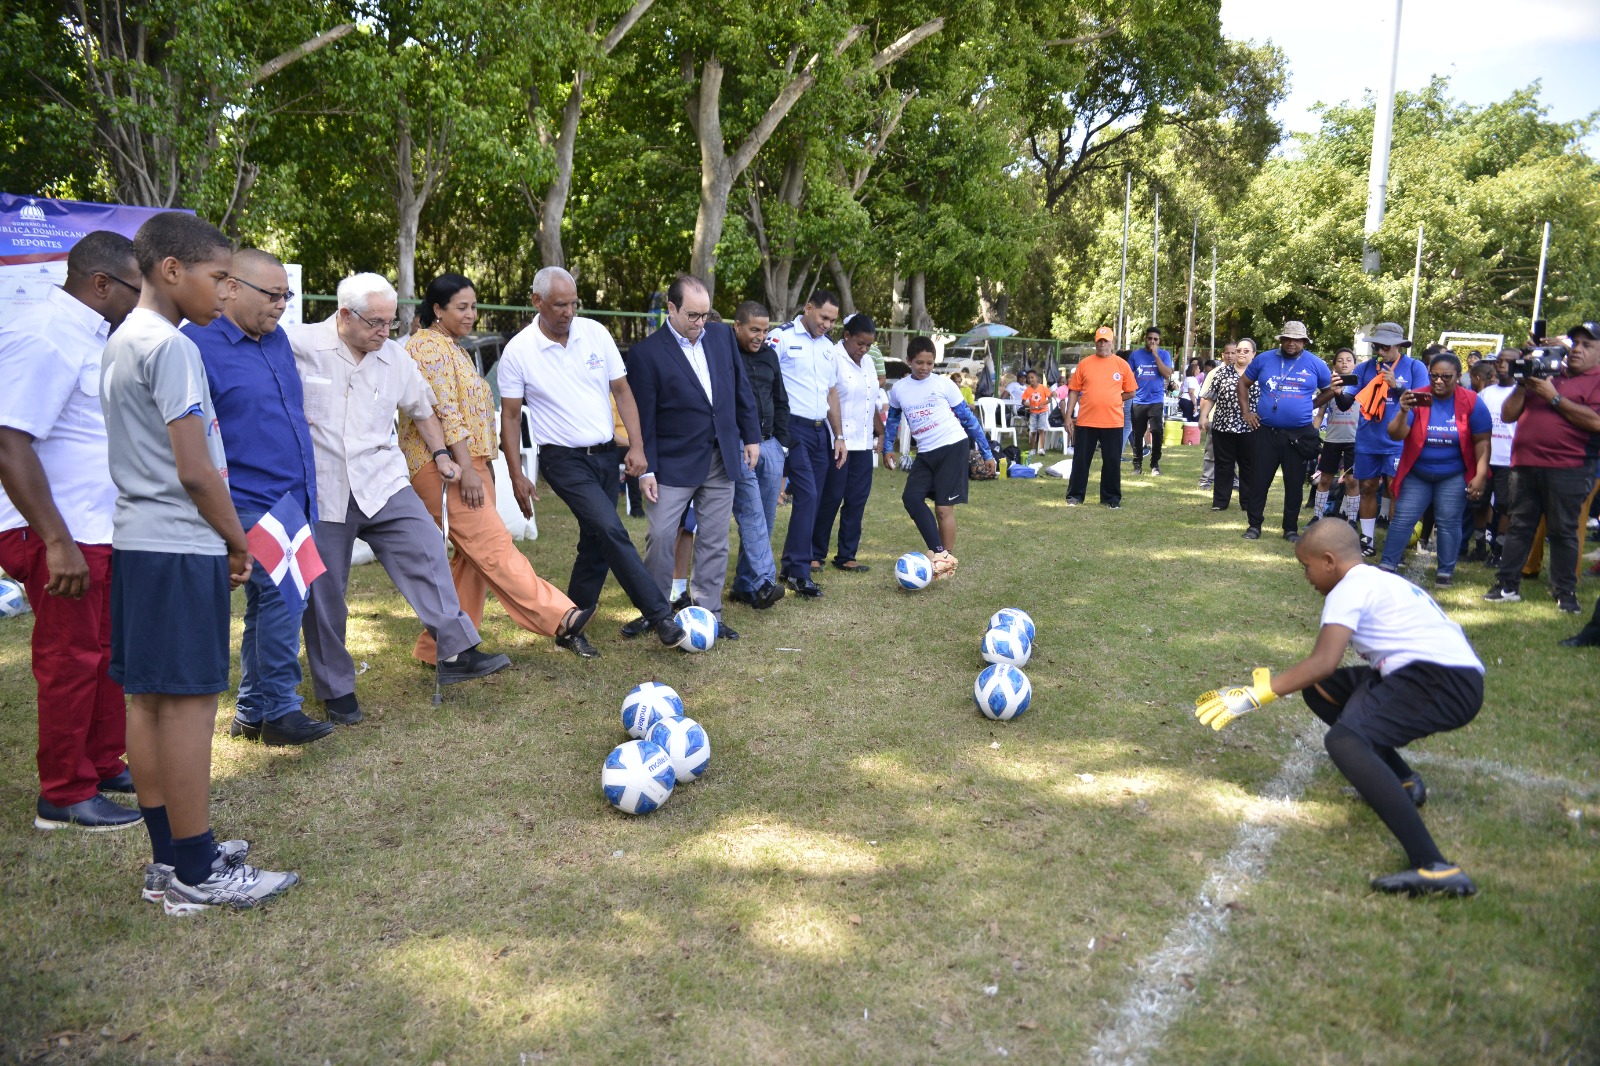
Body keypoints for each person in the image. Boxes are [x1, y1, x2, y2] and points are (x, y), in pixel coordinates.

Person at [101, 211, 297, 912]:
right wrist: (236, 540)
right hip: (181, 544)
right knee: (185, 709)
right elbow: (195, 467)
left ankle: (168, 857)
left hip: (137, 540)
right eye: (217, 277)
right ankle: (198, 870)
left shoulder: (124, 338)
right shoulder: (176, 348)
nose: (225, 290)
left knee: (148, 702)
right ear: (171, 271)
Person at [1193, 519, 1483, 897]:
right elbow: (1322, 676)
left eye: (1306, 567)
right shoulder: (1378, 579)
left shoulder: (1347, 589)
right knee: (1320, 690)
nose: (1307, 577)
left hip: (1439, 681)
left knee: (1345, 741)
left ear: (1328, 561)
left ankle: (1434, 867)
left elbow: (1323, 660)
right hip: (1441, 674)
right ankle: (1403, 781)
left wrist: (1255, 694)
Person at [291, 273, 512, 726]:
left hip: (382, 479)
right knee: (325, 590)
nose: (385, 332)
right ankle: (336, 689)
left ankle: (455, 651)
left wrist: (440, 454)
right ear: (345, 315)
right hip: (325, 486)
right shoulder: (299, 344)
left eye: (391, 323)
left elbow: (422, 408)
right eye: (375, 323)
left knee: (427, 546)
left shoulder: (394, 357)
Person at [0, 232, 143, 830]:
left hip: (96, 526)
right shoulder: (44, 334)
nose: (144, 301)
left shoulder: (93, 336)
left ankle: (102, 762)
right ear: (101, 284)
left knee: (106, 654)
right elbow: (10, 442)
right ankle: (62, 792)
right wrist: (55, 540)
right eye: (138, 289)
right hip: (58, 534)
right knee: (69, 660)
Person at [399, 273, 598, 658]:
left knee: (472, 560)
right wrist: (467, 469)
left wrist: (482, 465)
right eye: (462, 307)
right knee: (493, 548)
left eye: (474, 306)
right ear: (437, 309)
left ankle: (442, 646)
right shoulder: (427, 348)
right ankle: (561, 617)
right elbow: (447, 413)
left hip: (469, 463)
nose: (472, 314)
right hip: (445, 467)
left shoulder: (452, 347)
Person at [185, 249, 331, 747]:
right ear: (231, 288)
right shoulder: (195, 344)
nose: (282, 305)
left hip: (293, 495)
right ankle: (280, 710)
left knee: (280, 601)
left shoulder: (278, 340)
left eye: (286, 295)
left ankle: (252, 709)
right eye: (272, 295)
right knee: (280, 598)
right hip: (244, 497)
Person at [498, 267, 685, 648]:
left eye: (574, 303)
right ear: (537, 302)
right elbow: (511, 417)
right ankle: (661, 615)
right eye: (559, 305)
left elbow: (623, 391)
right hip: (563, 460)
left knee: (596, 540)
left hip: (604, 455)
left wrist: (636, 446)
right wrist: (516, 474)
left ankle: (571, 620)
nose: (569, 312)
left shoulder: (595, 333)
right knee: (611, 529)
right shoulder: (519, 350)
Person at [622, 274, 760, 640]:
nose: (701, 323)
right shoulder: (646, 354)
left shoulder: (721, 337)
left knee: (715, 539)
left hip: (721, 457)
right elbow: (644, 420)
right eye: (693, 316)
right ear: (672, 309)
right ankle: (656, 613)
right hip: (671, 463)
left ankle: (707, 614)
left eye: (706, 314)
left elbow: (739, 388)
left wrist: (752, 437)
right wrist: (646, 470)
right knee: (662, 535)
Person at [1484, 322, 1600, 613]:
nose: (1578, 349)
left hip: (1570, 466)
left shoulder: (1596, 379)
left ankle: (1565, 592)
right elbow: (1508, 415)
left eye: (1588, 345)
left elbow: (1596, 422)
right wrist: (1524, 383)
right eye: (1575, 343)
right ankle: (1507, 585)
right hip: (1525, 465)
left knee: (1563, 530)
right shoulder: (1546, 372)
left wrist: (1553, 397)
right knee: (1519, 526)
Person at [881, 337, 995, 577]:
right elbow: (892, 420)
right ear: (908, 361)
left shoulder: (943, 385)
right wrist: (887, 447)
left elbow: (967, 418)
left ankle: (945, 561)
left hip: (952, 446)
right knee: (911, 498)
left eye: (930, 363)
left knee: (943, 509)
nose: (924, 368)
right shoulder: (899, 389)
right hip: (925, 452)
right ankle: (940, 553)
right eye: (919, 363)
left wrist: (987, 452)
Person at [1378, 353, 1491, 586]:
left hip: (1453, 474)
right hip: (1418, 472)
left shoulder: (1471, 401)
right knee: (1403, 518)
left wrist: (1480, 475)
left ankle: (1445, 571)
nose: (1439, 381)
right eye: (1434, 376)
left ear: (1459, 377)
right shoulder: (1418, 396)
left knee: (1449, 521)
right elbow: (1395, 434)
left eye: (1446, 377)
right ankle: (1387, 564)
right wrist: (1403, 411)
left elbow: (1482, 441)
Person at [773, 290, 847, 598]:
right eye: (823, 317)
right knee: (808, 493)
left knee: (811, 500)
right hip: (793, 428)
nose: (828, 324)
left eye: (832, 320)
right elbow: (764, 379)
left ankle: (791, 566)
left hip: (820, 432)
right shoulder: (782, 338)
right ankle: (801, 574)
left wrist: (839, 435)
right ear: (808, 308)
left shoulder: (829, 348)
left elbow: (831, 394)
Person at [1239, 320, 1335, 543]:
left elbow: (1330, 390)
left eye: (1297, 340)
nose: (1292, 343)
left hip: (1298, 435)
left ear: (1304, 342)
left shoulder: (1316, 364)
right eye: (1288, 339)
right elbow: (1243, 383)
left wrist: (1308, 405)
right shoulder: (1264, 359)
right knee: (1259, 480)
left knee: (1293, 484)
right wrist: (1246, 412)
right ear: (1281, 339)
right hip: (1266, 431)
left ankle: (1290, 529)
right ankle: (1254, 525)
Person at [725, 301, 788, 609]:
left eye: (764, 330)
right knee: (751, 513)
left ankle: (743, 585)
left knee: (765, 516)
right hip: (737, 444)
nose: (760, 336)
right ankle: (764, 582)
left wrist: (781, 443)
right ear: (737, 325)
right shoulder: (723, 353)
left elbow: (781, 399)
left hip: (771, 445)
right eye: (753, 329)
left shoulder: (769, 356)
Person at [1351, 323, 1429, 557]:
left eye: (1385, 347)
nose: (1380, 351)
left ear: (1398, 346)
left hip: (1399, 441)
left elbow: (1424, 400)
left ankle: (1395, 546)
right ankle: (1367, 541)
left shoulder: (1415, 367)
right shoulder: (1365, 368)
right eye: (1377, 346)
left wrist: (1397, 386)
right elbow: (1348, 399)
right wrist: (1337, 390)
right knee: (1367, 488)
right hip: (1368, 439)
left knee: (1397, 491)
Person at [814, 313, 881, 573]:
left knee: (857, 499)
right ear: (847, 336)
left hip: (862, 442)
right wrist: (838, 435)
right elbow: (827, 399)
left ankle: (846, 555)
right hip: (837, 440)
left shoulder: (869, 363)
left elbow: (870, 399)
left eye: (869, 345)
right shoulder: (832, 357)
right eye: (860, 344)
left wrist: (881, 433)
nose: (863, 350)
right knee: (830, 497)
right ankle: (815, 553)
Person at [1063, 327, 1136, 508]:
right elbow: (1073, 391)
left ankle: (1111, 498)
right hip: (1087, 420)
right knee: (1081, 460)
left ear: (1112, 342)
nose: (1103, 344)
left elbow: (1131, 391)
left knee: (1112, 462)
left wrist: (1113, 398)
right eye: (1100, 341)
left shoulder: (1121, 364)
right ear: (1095, 342)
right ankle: (1075, 496)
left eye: (1106, 341)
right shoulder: (1085, 364)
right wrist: (1068, 416)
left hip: (1113, 421)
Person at [1199, 341, 1256, 513]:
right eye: (1239, 350)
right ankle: (1220, 501)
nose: (1241, 354)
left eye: (1246, 351)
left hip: (1250, 428)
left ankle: (1247, 502)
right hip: (1223, 426)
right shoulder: (1221, 373)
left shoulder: (1260, 374)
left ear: (1254, 354)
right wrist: (1203, 416)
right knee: (1223, 465)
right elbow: (1210, 397)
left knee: (1248, 465)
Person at [1476, 350, 1520, 567]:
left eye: (1508, 362)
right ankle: (1479, 546)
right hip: (1486, 458)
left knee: (1505, 506)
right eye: (1499, 361)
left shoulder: (1520, 392)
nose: (1502, 365)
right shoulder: (1486, 393)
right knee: (1479, 503)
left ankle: (1499, 550)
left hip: (1508, 461)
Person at [1310, 347, 1360, 526]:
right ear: (1334, 365)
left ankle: (1352, 519)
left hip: (1354, 441)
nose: (1344, 363)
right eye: (1340, 360)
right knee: (1324, 479)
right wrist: (1313, 435)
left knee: (1352, 481)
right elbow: (1319, 414)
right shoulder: (1329, 388)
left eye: (1348, 360)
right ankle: (1318, 516)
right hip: (1332, 440)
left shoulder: (1360, 387)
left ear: (1355, 364)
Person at [1128, 326, 1174, 476]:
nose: (1152, 341)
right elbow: (1128, 376)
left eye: (1155, 339)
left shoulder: (1164, 354)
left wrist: (1156, 356)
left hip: (1156, 399)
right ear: (1145, 339)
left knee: (1157, 431)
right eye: (1150, 338)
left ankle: (1155, 464)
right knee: (1138, 434)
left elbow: (1167, 374)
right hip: (1139, 400)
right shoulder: (1135, 355)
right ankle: (1137, 465)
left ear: (1159, 341)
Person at [1019, 371, 1054, 456]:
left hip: (1042, 412)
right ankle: (1032, 449)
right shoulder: (1028, 389)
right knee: (1033, 431)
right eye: (1028, 378)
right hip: (1033, 413)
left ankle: (1041, 449)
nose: (1030, 380)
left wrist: (1043, 404)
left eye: (1032, 377)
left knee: (1041, 429)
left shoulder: (1043, 387)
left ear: (1037, 378)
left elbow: (1050, 399)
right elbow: (1023, 402)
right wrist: (1030, 405)